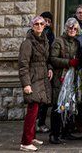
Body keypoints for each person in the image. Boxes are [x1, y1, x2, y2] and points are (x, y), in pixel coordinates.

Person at [19, 16, 52, 152]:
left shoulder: (45, 41)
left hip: (42, 77)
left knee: (36, 109)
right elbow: (23, 65)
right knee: (32, 110)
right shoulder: (27, 43)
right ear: (32, 26)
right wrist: (26, 84)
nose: (39, 26)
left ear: (45, 26)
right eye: (36, 24)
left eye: (41, 24)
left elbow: (47, 58)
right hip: (32, 79)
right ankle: (25, 142)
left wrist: (49, 68)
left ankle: (31, 137)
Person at [48, 18, 81, 144]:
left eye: (74, 28)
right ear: (66, 28)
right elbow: (53, 58)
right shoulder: (58, 41)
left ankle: (67, 131)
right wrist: (68, 62)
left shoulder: (76, 43)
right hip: (60, 77)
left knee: (70, 104)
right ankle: (54, 134)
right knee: (58, 105)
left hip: (72, 77)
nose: (72, 30)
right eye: (70, 28)